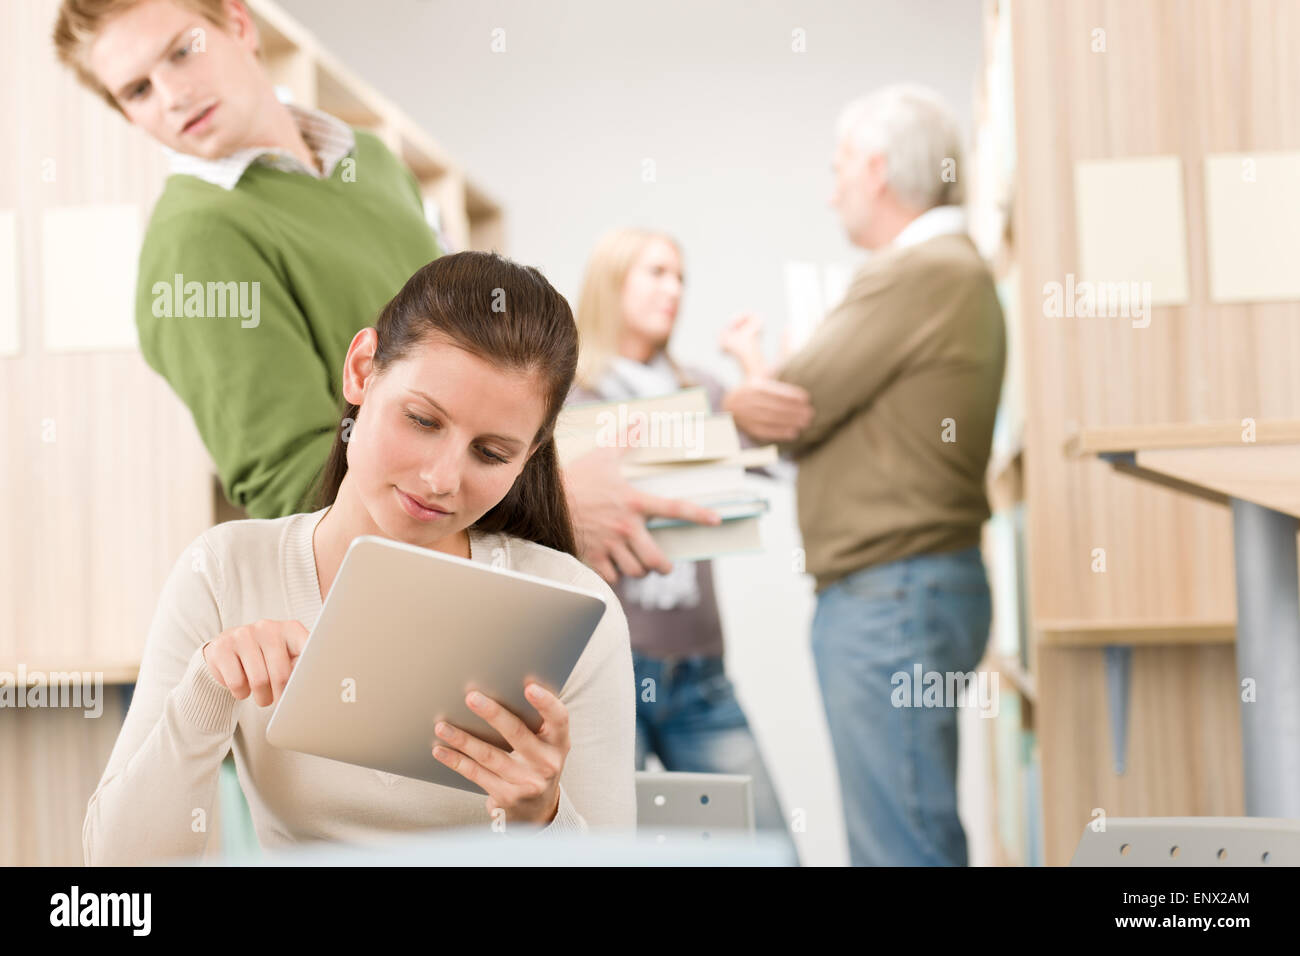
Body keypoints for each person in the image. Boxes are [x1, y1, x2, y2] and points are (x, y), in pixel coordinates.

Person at [83, 252, 637, 865]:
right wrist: (208, 690)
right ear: (361, 369)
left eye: (491, 453)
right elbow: (118, 872)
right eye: (422, 420)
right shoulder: (223, 571)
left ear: (530, 456)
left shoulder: (575, 612)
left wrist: (543, 821)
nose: (441, 478)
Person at [724, 85, 1007, 866]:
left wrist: (752, 376)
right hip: (909, 593)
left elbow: (791, 406)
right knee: (908, 827)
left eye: (840, 166)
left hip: (892, 597)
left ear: (878, 170)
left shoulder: (917, 272)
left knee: (900, 846)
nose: (832, 187)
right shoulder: (950, 270)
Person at [568, 227, 804, 854]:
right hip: (605, 674)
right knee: (604, 850)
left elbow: (782, 462)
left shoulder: (701, 389)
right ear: (611, 281)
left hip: (698, 671)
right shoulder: (566, 392)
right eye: (656, 273)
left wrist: (751, 367)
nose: (674, 289)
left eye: (680, 276)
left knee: (766, 847)